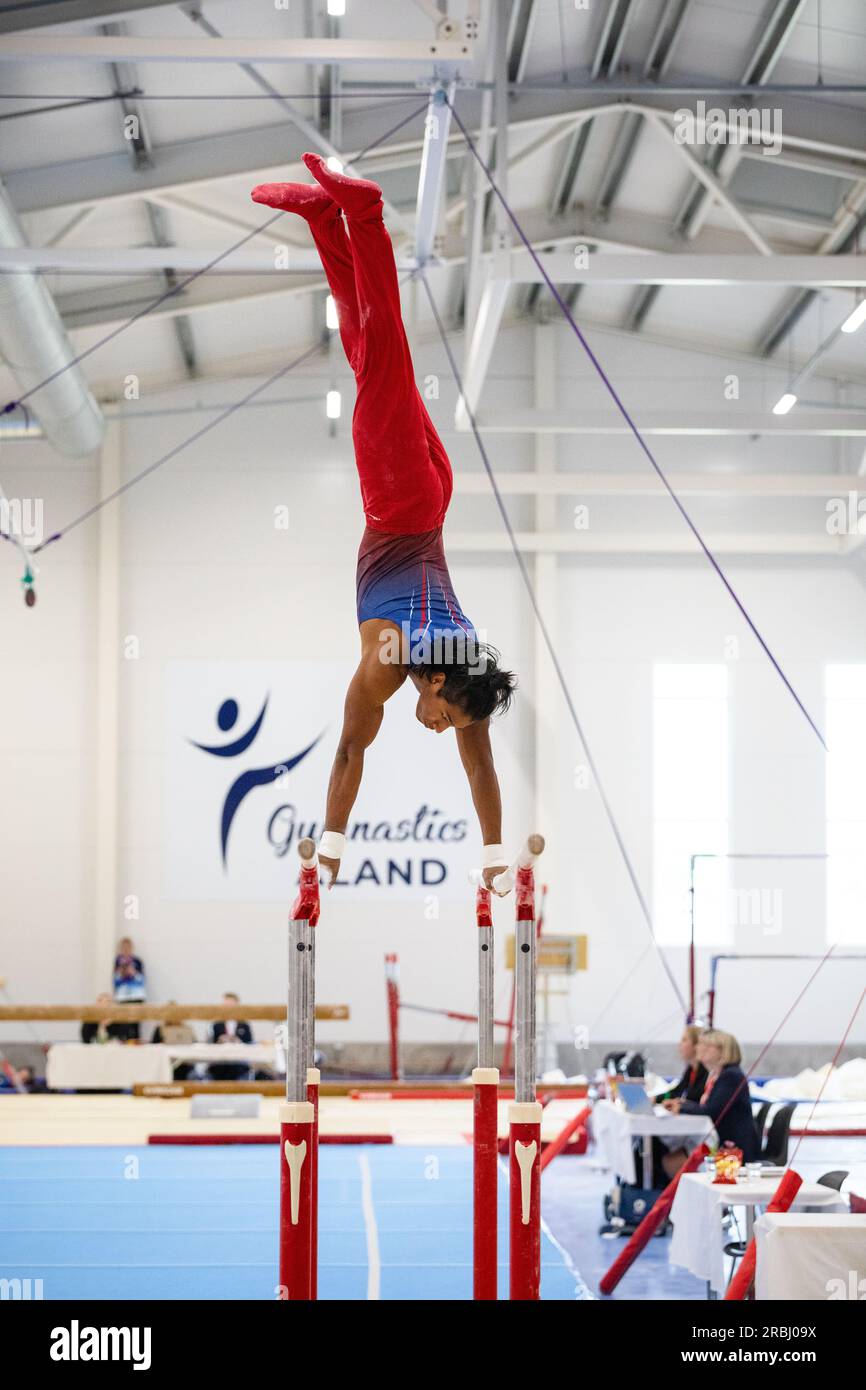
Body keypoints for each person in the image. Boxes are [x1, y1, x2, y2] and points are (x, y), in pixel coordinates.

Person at [251, 157, 516, 892]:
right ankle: (362, 214)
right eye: (441, 715)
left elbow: (481, 762)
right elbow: (347, 752)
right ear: (435, 683)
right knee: (383, 347)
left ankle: (322, 223)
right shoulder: (390, 661)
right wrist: (330, 844)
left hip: (432, 497)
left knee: (370, 353)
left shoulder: (465, 664)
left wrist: (496, 858)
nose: (437, 727)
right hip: (401, 498)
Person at [663, 1028, 759, 1164]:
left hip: (733, 1147)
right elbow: (708, 1107)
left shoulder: (730, 1076)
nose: (699, 1048)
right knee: (670, 1157)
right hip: (721, 1139)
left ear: (722, 1051)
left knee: (670, 1161)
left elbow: (711, 1111)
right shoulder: (716, 1075)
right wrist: (682, 1104)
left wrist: (682, 1108)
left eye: (706, 1045)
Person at [208, 992, 253, 1082]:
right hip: (220, 1060)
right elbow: (210, 1044)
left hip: (238, 1060)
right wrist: (220, 1041)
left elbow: (249, 1043)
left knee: (238, 1068)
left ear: (237, 1007)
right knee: (217, 1069)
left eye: (231, 1006)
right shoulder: (216, 1025)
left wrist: (238, 1041)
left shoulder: (244, 1025)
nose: (228, 1009)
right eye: (226, 1006)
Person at [112, 937, 146, 1042]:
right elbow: (115, 980)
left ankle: (136, 1042)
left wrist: (133, 973)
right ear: (121, 948)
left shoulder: (137, 961)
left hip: (136, 995)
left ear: (132, 948)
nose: (126, 949)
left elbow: (142, 980)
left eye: (128, 947)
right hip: (122, 996)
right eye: (124, 947)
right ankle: (123, 1043)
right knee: (122, 1023)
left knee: (135, 1023)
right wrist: (120, 973)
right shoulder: (118, 961)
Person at [152, 1004, 196, 1082]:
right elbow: (153, 1045)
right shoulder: (159, 1029)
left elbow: (194, 1042)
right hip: (165, 1060)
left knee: (183, 1066)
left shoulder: (186, 1028)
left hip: (182, 1061)